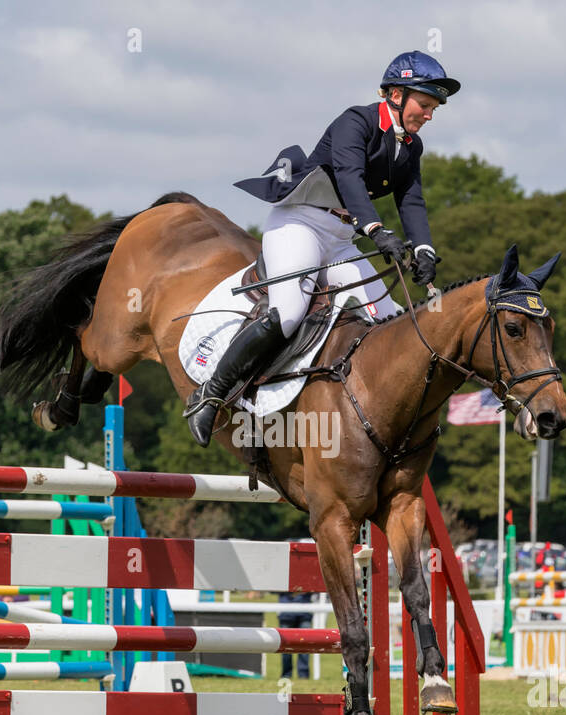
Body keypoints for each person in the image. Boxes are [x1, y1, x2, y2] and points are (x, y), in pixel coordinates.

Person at [186, 51, 460, 446]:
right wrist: (376, 229)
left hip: (341, 238)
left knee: (389, 317)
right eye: (425, 104)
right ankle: (210, 394)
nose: (429, 115)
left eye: (434, 108)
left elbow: (412, 201)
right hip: (299, 223)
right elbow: (349, 176)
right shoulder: (356, 121)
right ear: (396, 94)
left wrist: (425, 251)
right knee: (289, 312)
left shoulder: (410, 147)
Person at [277, 591, 316, 679]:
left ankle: (303, 675)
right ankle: (286, 675)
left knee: (305, 646)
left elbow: (315, 587)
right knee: (285, 648)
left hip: (304, 613)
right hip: (286, 613)